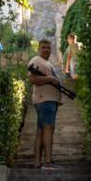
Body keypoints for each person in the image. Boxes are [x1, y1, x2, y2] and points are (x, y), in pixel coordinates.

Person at [26, 39, 64, 169]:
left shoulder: (46, 62)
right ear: (38, 49)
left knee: (41, 131)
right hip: (45, 100)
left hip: (47, 101)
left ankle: (37, 162)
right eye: (43, 47)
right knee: (48, 129)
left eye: (48, 48)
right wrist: (50, 78)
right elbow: (32, 78)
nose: (46, 50)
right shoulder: (36, 60)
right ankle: (48, 162)